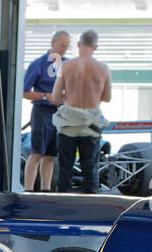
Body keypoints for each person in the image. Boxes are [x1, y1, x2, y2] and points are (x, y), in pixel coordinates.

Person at [48, 29, 110, 193]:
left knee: (65, 169)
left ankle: (63, 207)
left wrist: (68, 96)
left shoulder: (66, 66)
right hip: (91, 125)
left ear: (78, 44)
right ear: (95, 47)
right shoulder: (103, 69)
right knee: (90, 169)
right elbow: (107, 96)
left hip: (68, 124)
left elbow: (55, 97)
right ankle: (91, 207)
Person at [22, 30, 70, 191]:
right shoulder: (38, 65)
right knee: (36, 152)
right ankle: (28, 189)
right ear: (53, 43)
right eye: (62, 46)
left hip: (60, 113)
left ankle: (46, 189)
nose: (64, 50)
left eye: (66, 47)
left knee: (50, 155)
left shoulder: (67, 65)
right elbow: (24, 91)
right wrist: (45, 96)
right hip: (42, 111)